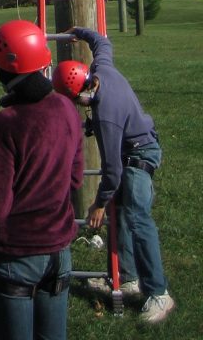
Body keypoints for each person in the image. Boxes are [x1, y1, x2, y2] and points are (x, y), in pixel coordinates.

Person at [0, 20, 84, 340]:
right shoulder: (66, 108)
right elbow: (75, 181)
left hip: (15, 255)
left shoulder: (3, 125)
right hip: (58, 252)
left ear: (4, 72)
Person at [53, 27, 175, 326]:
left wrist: (98, 204)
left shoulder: (105, 114)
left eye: (73, 100)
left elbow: (112, 172)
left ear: (80, 93)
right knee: (122, 217)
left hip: (138, 157)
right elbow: (101, 42)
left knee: (137, 217)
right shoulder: (101, 68)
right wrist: (79, 33)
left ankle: (159, 292)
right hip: (135, 148)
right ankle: (128, 278)